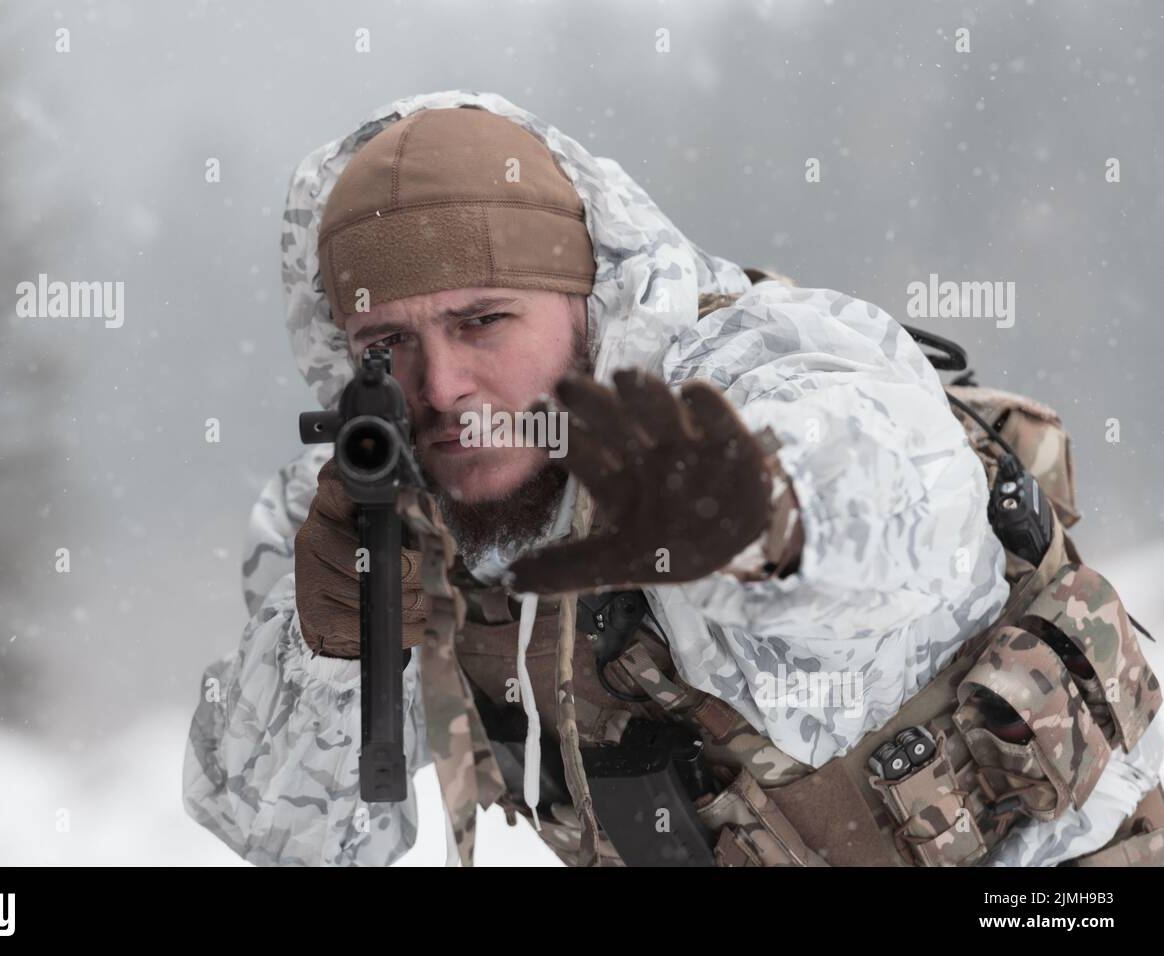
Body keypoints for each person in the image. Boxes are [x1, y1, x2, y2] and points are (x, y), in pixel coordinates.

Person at [183, 90, 1164, 867]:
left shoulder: (765, 374)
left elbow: (884, 494)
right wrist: (328, 646)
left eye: (484, 321)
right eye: (387, 342)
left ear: (582, 303)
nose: (441, 385)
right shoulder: (358, 503)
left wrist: (757, 517)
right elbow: (289, 838)